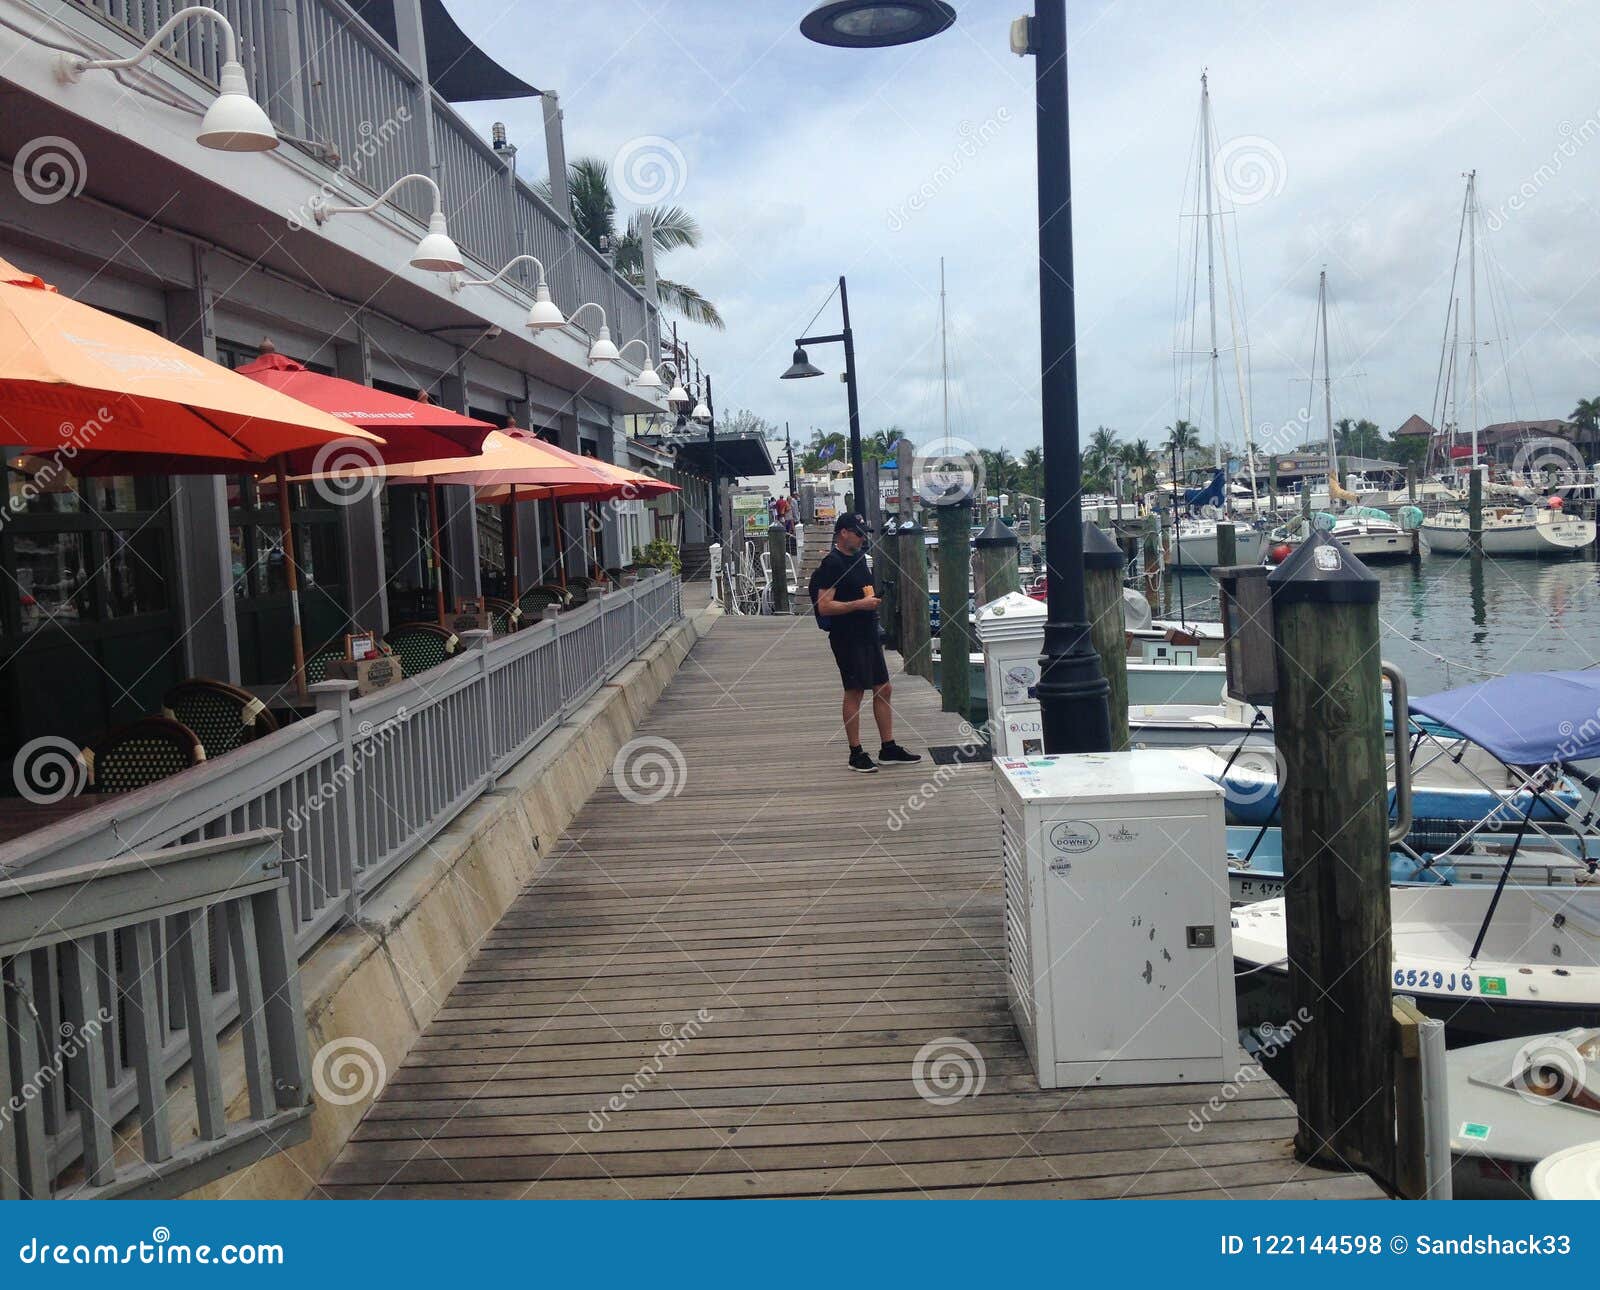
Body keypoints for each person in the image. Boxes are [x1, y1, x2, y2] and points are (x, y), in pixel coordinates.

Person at [810, 514, 922, 773]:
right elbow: (824, 606)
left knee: (884, 688)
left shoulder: (860, 559)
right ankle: (855, 752)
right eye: (858, 533)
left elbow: (863, 590)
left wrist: (872, 601)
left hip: (868, 632)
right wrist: (859, 605)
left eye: (864, 533)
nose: (862, 538)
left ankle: (888, 747)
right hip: (846, 636)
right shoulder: (832, 563)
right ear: (843, 533)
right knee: (855, 691)